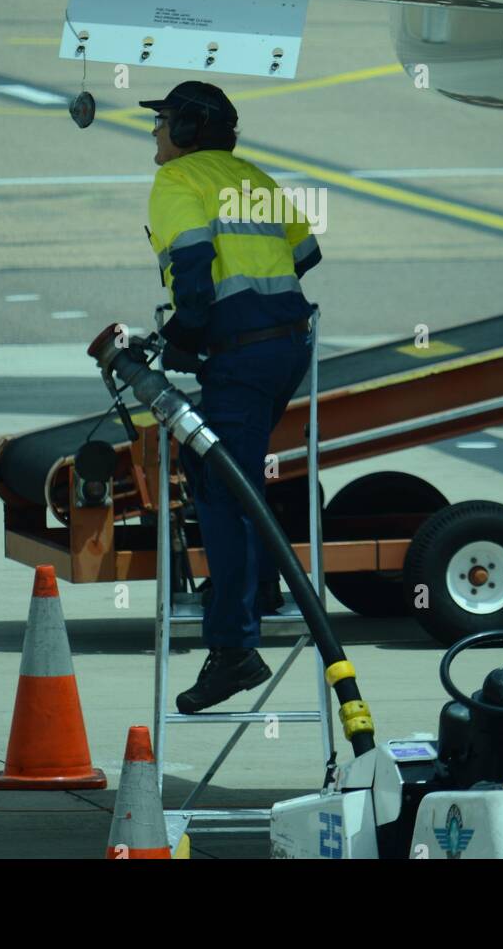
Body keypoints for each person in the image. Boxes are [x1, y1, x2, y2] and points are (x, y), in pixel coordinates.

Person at [141, 81, 321, 714]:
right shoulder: (253, 176)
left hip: (242, 355)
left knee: (224, 486)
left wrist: (185, 334)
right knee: (217, 466)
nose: (155, 135)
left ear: (188, 130)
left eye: (161, 122)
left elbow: (191, 266)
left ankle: (234, 647)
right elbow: (306, 252)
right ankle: (253, 590)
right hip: (286, 346)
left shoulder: (176, 183)